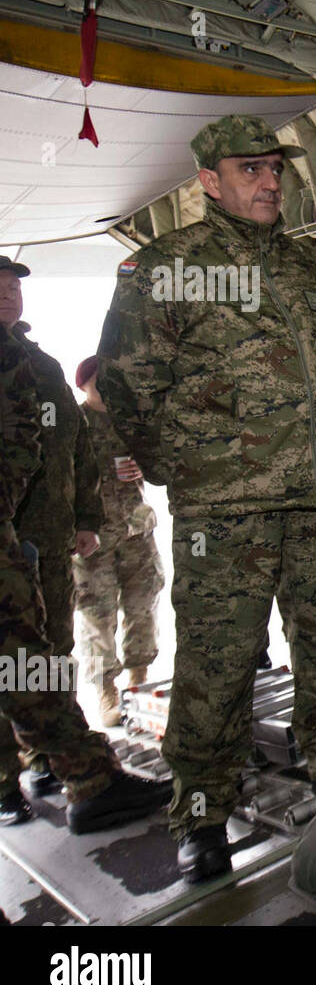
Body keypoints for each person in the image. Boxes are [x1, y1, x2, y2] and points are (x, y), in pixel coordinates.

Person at [96, 115, 316, 884]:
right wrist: (183, 466)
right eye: (250, 170)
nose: (270, 181)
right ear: (210, 181)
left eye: (276, 169)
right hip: (227, 511)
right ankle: (202, 808)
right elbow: (124, 379)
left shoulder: (307, 268)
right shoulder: (169, 267)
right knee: (218, 663)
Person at [0, 317, 171, 831]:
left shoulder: (40, 373)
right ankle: (45, 769)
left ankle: (65, 763)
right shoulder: (62, 401)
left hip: (78, 538)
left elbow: (65, 460)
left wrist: (86, 518)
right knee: (53, 646)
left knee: (43, 652)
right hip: (57, 542)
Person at [0, 257, 101, 800]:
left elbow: (77, 447)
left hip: (51, 537)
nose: (8, 293)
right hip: (9, 539)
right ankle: (5, 779)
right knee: (8, 659)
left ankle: (50, 757)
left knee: (53, 648)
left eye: (14, 286)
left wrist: (86, 517)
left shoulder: (41, 366)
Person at [71, 356, 164, 727]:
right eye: (98, 382)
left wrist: (145, 466)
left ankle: (139, 684)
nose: (106, 388)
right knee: (98, 615)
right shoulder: (75, 424)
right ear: (83, 386)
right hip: (93, 538)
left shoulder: (132, 422)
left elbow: (160, 463)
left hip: (136, 531)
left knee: (143, 606)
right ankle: (106, 692)